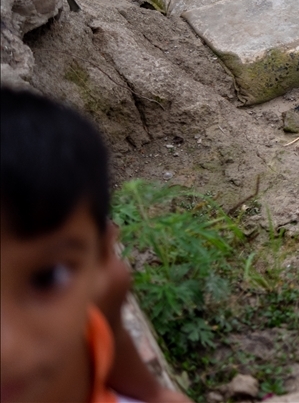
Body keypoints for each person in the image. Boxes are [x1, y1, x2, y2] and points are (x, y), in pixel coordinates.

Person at [0, 88, 190, 403]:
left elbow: (113, 339)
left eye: (46, 277)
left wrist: (157, 395)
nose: (6, 349)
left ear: (101, 257)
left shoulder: (107, 291)